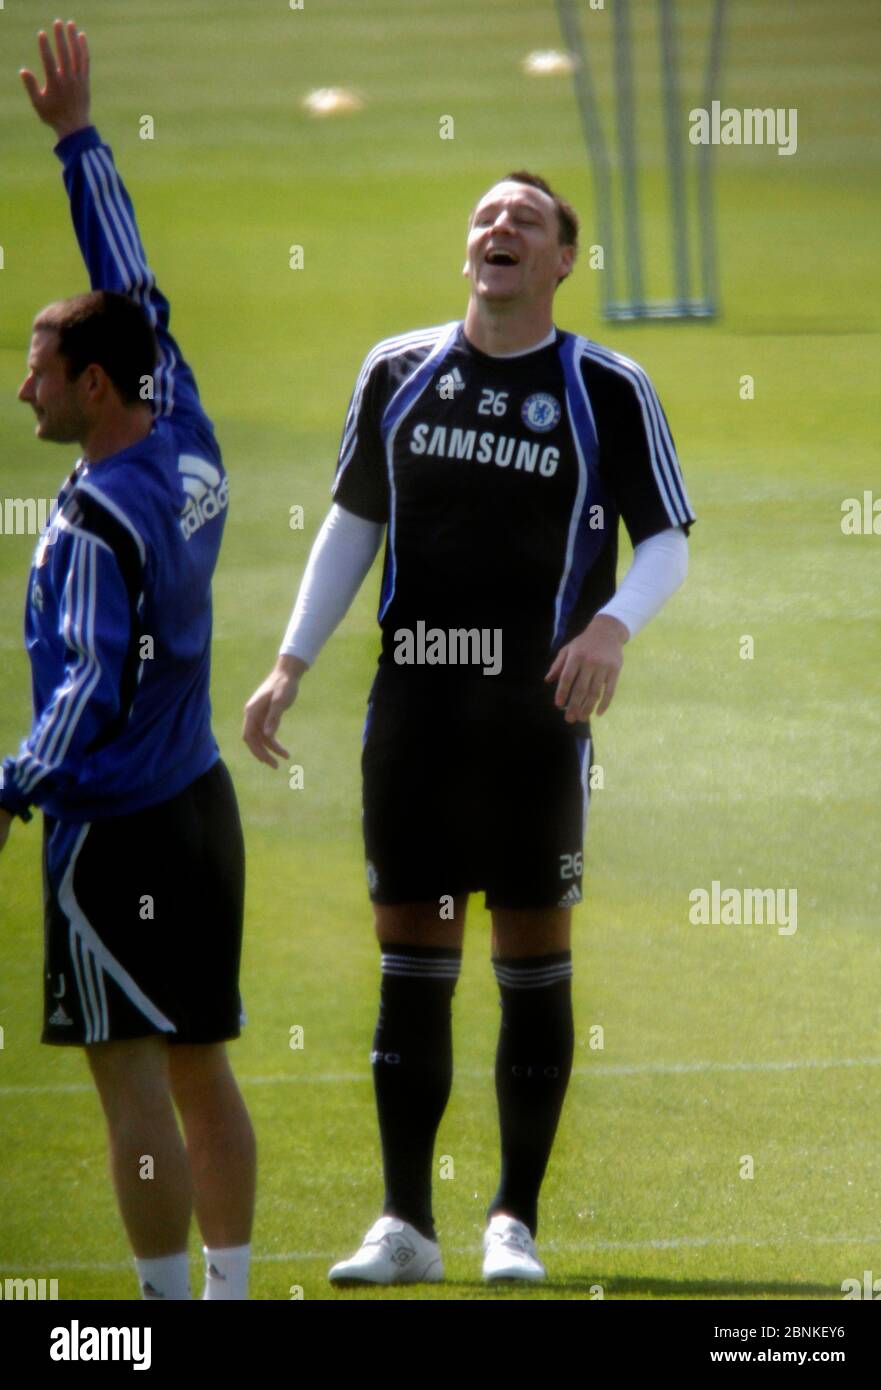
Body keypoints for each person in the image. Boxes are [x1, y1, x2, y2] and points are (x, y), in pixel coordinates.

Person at [243, 168, 695, 1286]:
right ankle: (403, 1225)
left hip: (538, 715)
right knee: (410, 962)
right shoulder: (397, 372)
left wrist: (610, 628)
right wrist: (290, 662)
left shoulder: (608, 385)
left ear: (559, 262)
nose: (501, 228)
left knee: (532, 958)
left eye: (526, 222)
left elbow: (668, 539)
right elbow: (352, 523)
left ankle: (513, 1222)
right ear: (468, 252)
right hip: (416, 712)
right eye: (488, 216)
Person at [0, 21, 255, 1301]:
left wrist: (9, 783)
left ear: (96, 387)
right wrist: (79, 143)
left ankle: (158, 1324)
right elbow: (134, 275)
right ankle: (231, 1293)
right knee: (205, 1060)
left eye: (40, 368)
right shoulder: (183, 422)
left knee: (130, 1080)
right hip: (203, 801)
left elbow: (91, 692)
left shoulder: (99, 517)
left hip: (117, 836)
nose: (25, 391)